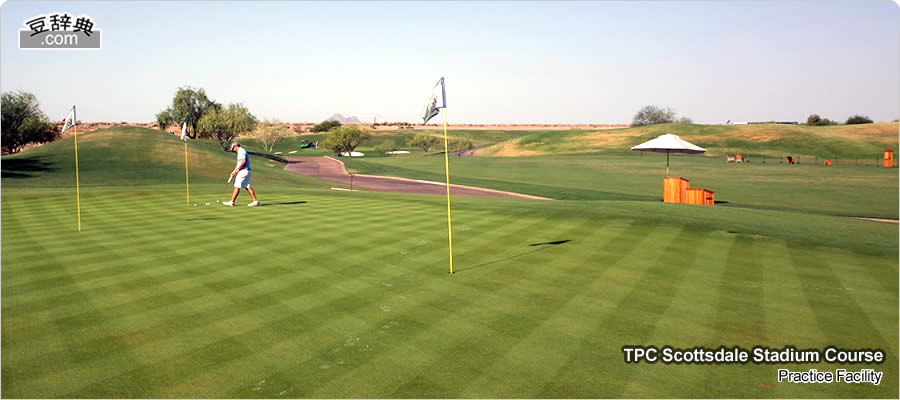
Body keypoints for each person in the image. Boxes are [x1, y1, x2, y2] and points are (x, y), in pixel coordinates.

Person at [223, 142, 259, 206]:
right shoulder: (240, 152)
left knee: (237, 185)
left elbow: (243, 161)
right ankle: (255, 201)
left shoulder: (241, 151)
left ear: (236, 146)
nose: (233, 150)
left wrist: (238, 169)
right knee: (247, 186)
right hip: (246, 170)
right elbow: (239, 163)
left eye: (233, 148)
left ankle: (232, 202)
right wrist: (234, 171)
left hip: (244, 171)